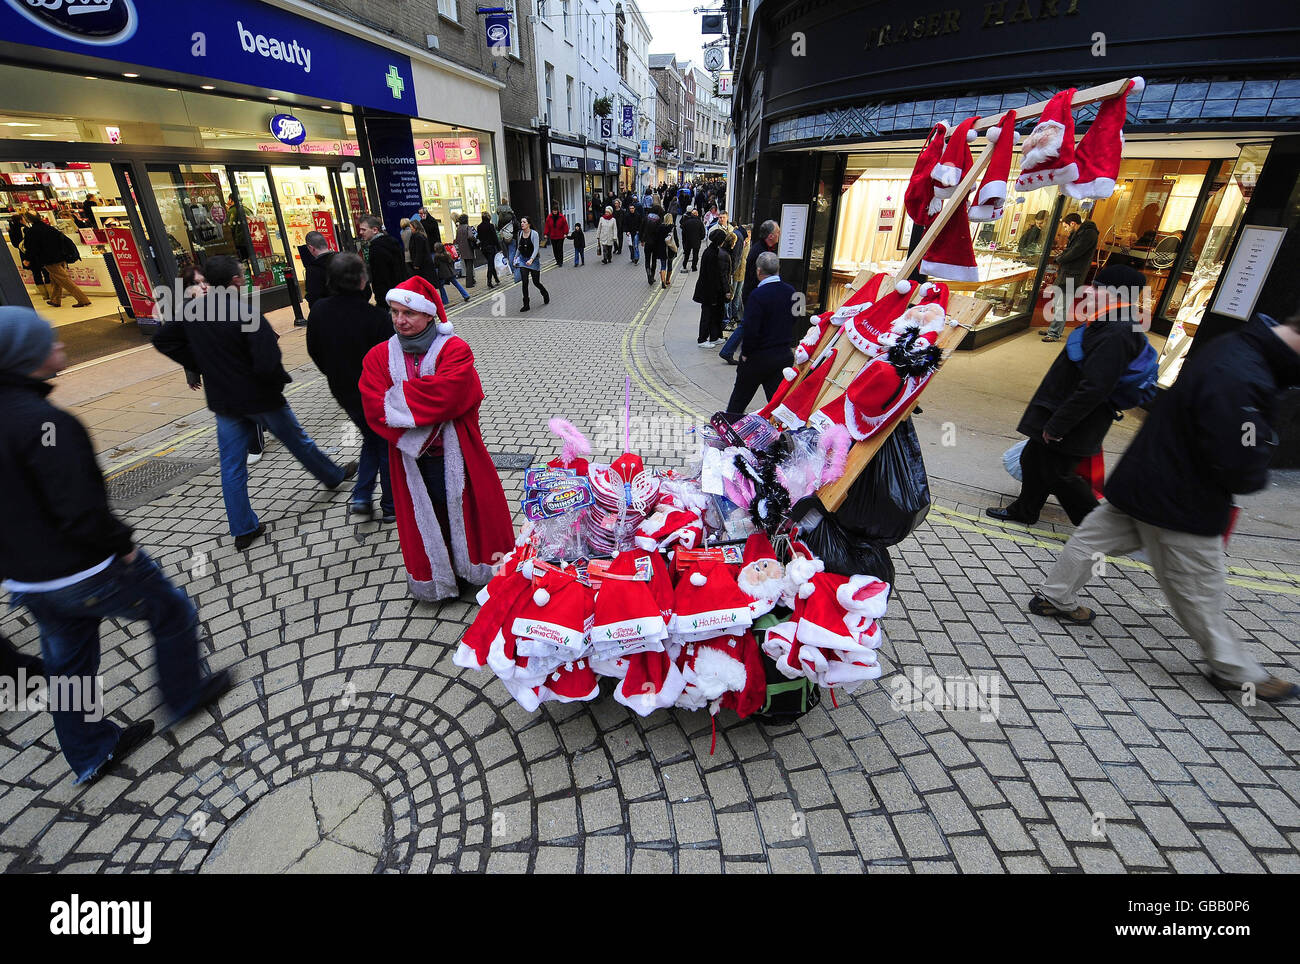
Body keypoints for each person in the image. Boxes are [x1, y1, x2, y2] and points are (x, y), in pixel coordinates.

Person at [0, 307, 229, 784]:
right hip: (85, 570)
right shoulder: (45, 424)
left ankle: (90, 753)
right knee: (171, 612)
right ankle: (185, 695)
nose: (60, 344)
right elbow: (79, 506)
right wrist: (123, 547)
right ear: (27, 355)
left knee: (69, 665)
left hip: (29, 580)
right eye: (48, 341)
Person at [1028, 304, 1300, 702]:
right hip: (1181, 498)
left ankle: (1054, 597)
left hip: (1145, 475)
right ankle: (1234, 670)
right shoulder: (1246, 376)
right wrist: (1253, 474)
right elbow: (1238, 453)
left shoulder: (1236, 346)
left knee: (1093, 538)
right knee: (1198, 588)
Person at [152, 255, 355, 550]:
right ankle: (332, 476)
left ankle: (243, 528)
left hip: (224, 401)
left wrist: (198, 362)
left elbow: (162, 340)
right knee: (298, 441)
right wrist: (273, 386)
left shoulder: (191, 311)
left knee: (232, 466)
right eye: (242, 275)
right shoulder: (245, 312)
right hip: (260, 397)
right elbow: (267, 360)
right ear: (235, 281)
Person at [358, 276, 515, 602]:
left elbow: (449, 395)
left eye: (409, 313)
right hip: (410, 460)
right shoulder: (377, 356)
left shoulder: (455, 349)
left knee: (466, 512)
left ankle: (474, 570)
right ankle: (441, 577)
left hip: (458, 452)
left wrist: (399, 402)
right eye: (394, 312)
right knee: (427, 517)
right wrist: (428, 406)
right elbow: (374, 406)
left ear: (429, 315)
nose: (399, 320)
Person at [987, 264, 1149, 526]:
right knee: (1033, 459)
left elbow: (1095, 387)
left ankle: (1097, 529)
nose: (1089, 291)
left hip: (1079, 418)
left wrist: (1058, 425)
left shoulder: (1118, 331)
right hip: (1062, 409)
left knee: (1060, 475)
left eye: (1097, 287)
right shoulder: (1107, 321)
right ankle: (1025, 510)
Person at [306, 253, 397, 522]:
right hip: (376, 394)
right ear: (362, 281)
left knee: (372, 438)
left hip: (343, 390)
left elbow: (315, 351)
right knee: (385, 443)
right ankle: (390, 505)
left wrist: (334, 374)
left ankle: (361, 496)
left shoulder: (319, 312)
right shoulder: (377, 318)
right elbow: (392, 362)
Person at [726, 251, 796, 413]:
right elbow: (796, 317)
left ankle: (730, 425)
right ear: (778, 269)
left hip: (757, 357)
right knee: (777, 405)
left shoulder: (757, 295)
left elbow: (751, 328)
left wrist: (745, 353)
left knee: (739, 401)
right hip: (782, 356)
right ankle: (780, 429)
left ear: (759, 271)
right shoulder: (793, 292)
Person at [720, 219, 778, 364]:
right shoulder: (761, 251)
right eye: (777, 232)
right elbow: (756, 276)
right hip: (755, 294)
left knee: (750, 323)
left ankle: (731, 351)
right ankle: (729, 351)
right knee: (747, 323)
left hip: (754, 293)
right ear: (770, 235)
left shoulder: (762, 249)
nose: (779, 235)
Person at [1044, 212, 1098, 342]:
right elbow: (1072, 250)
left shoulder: (1088, 234)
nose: (1065, 229)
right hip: (1068, 273)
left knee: (1062, 305)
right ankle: (1055, 329)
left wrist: (1059, 259)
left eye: (1065, 226)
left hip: (1073, 275)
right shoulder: (1080, 233)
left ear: (1072, 223)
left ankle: (1054, 333)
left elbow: (1075, 252)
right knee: (1058, 303)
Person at [20, 214, 92, 309]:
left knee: (64, 279)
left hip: (48, 259)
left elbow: (31, 247)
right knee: (55, 278)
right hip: (60, 256)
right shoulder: (50, 228)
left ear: (29, 220)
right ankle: (55, 299)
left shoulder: (32, 231)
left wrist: (27, 259)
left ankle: (83, 299)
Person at [694, 228, 732, 348]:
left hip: (710, 290)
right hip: (709, 291)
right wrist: (723, 291)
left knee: (714, 314)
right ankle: (702, 339)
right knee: (707, 315)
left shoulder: (711, 251)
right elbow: (713, 276)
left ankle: (714, 337)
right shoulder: (712, 254)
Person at [357, 215, 407, 307]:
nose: (361, 232)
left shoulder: (376, 249)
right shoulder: (392, 242)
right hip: (400, 292)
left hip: (388, 298)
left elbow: (380, 277)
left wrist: (381, 300)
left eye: (364, 230)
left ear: (375, 230)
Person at [513, 216, 549, 312]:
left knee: (536, 282)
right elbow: (519, 247)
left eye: (524, 222)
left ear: (529, 224)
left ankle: (545, 293)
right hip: (523, 260)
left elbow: (536, 248)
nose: (522, 223)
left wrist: (531, 259)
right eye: (521, 222)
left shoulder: (534, 234)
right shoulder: (520, 233)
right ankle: (526, 304)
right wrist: (515, 258)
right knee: (524, 282)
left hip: (533, 260)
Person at [298, 230, 335, 309]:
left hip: (328, 311)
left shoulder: (313, 269)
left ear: (311, 248)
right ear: (326, 243)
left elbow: (314, 299)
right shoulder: (344, 259)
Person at [642, 211, 668, 287]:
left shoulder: (646, 218)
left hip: (647, 243)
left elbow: (642, 229)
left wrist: (642, 240)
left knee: (647, 260)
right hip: (655, 244)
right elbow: (659, 233)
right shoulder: (658, 220)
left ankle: (648, 274)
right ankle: (652, 276)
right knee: (654, 260)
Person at [496, 196, 519, 281]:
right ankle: (512, 269)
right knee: (512, 252)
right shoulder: (511, 214)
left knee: (507, 253)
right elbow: (516, 224)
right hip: (511, 236)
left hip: (503, 237)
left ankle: (508, 268)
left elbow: (498, 227)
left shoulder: (500, 216)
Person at [476, 212, 502, 288]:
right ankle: (489, 281)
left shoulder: (479, 227)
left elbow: (479, 238)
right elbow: (495, 238)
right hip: (490, 248)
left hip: (483, 249)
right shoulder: (490, 226)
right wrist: (499, 248)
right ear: (488, 217)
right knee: (490, 265)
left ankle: (496, 279)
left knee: (491, 263)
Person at [408, 218, 435, 284]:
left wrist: (416, 264)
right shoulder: (420, 235)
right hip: (423, 263)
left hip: (422, 264)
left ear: (415, 227)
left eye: (411, 227)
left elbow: (419, 251)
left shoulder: (418, 237)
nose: (410, 229)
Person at [455, 213, 477, 288]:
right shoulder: (467, 227)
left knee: (467, 266)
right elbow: (470, 236)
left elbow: (457, 239)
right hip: (468, 248)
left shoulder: (458, 228)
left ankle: (472, 280)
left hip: (462, 249)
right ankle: (469, 283)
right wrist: (475, 240)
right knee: (470, 266)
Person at [680, 207, 706, 272]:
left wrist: (685, 240)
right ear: (697, 214)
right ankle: (694, 267)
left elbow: (683, 233)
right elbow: (703, 233)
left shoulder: (686, 222)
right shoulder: (700, 222)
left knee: (687, 254)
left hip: (688, 241)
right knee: (695, 254)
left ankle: (684, 264)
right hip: (696, 241)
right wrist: (700, 238)